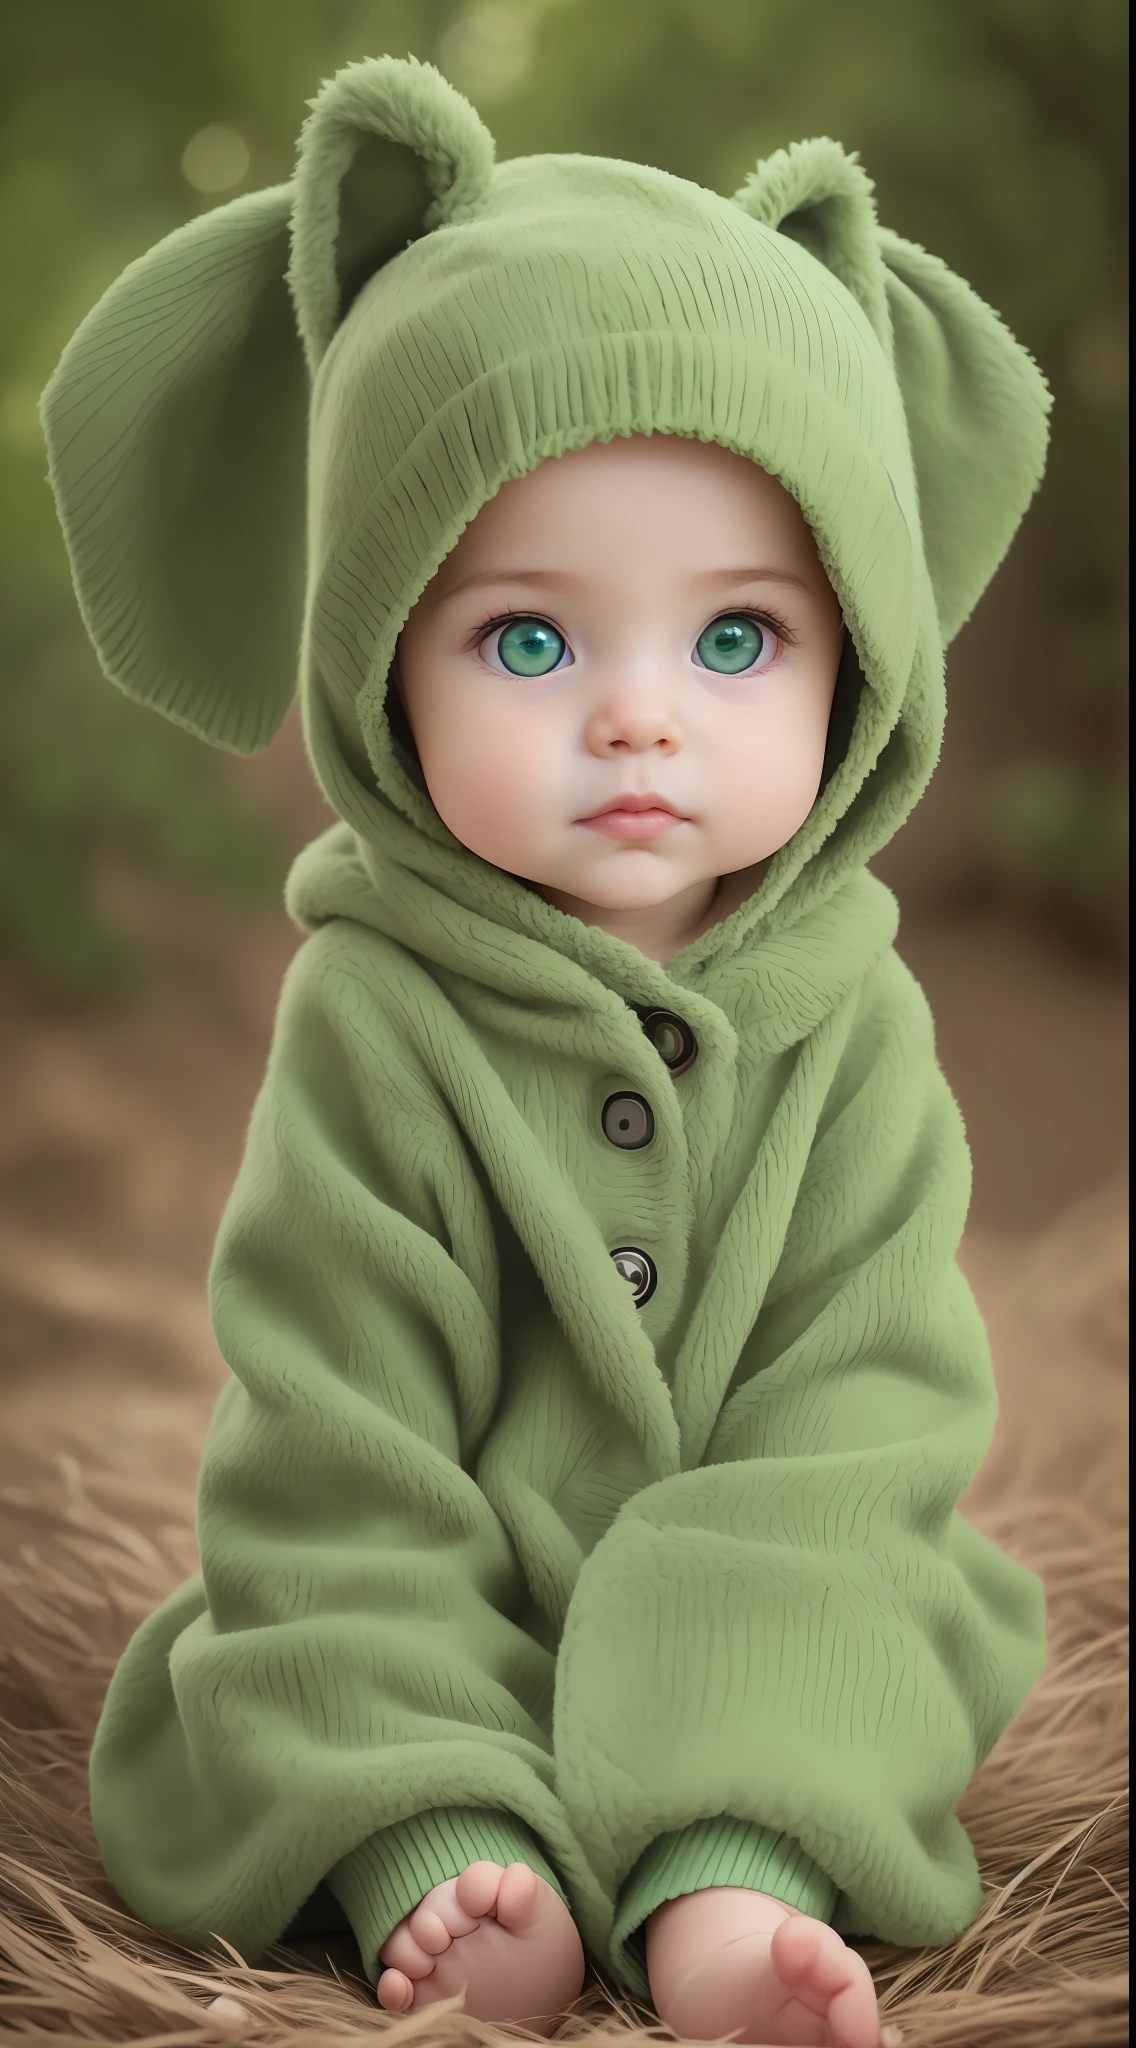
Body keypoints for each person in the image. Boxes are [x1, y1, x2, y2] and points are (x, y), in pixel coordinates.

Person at [40, 54, 1051, 2047]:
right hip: (439, 1570)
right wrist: (421, 1766)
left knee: (856, 1566)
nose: (639, 719)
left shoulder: (854, 1019)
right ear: (379, 670)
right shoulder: (377, 1005)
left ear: (860, 660)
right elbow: (340, 1410)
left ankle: (734, 1870)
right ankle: (437, 1840)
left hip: (781, 1578)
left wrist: (750, 1754)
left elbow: (861, 1409)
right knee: (316, 1598)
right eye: (528, 641)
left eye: (736, 638)